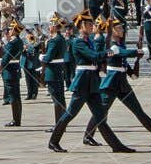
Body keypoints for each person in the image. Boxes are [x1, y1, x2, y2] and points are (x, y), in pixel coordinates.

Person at [48, 13, 128, 153]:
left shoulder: (89, 40)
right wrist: (110, 52)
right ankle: (53, 141)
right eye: (89, 25)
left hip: (92, 81)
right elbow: (94, 56)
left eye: (92, 24)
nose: (92, 27)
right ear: (82, 26)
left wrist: (108, 34)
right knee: (70, 114)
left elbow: (99, 52)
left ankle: (116, 145)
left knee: (100, 115)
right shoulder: (78, 42)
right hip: (83, 81)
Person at [84, 20, 151, 147]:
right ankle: (88, 136)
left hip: (122, 83)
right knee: (101, 112)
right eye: (119, 29)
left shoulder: (120, 43)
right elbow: (123, 53)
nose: (122, 31)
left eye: (121, 28)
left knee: (137, 109)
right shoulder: (111, 44)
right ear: (112, 30)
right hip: (111, 83)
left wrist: (131, 72)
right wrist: (138, 51)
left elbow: (123, 61)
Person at [40, 16, 69, 124]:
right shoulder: (60, 38)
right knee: (61, 98)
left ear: (54, 27)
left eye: (50, 25)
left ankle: (58, 124)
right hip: (59, 70)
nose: (49, 27)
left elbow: (49, 57)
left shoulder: (54, 40)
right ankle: (63, 123)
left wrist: (42, 57)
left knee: (56, 99)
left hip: (52, 72)